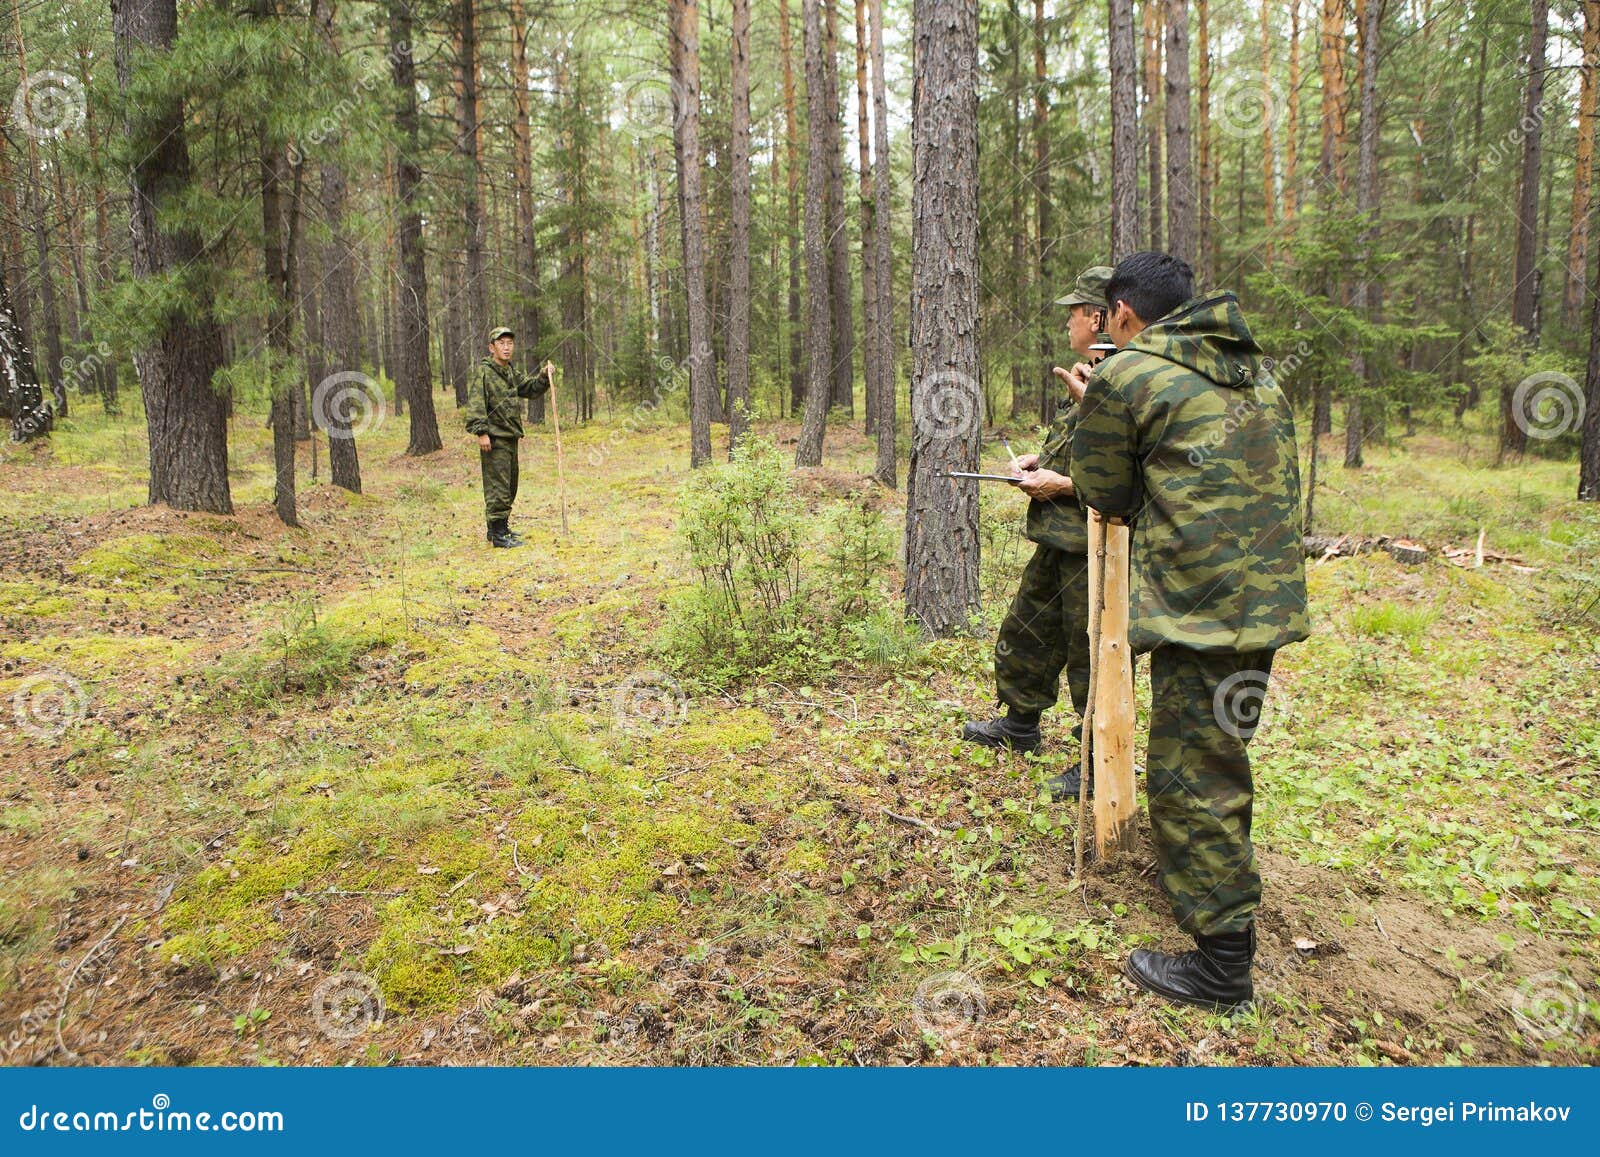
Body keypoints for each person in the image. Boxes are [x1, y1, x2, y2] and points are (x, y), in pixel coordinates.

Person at [1069, 251, 1310, 1013]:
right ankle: (1221, 914)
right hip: (1262, 603)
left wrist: (1095, 407)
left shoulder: (1126, 375)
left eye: (1108, 321)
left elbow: (1105, 491)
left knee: (1189, 780)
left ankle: (1221, 968)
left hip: (1196, 611)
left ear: (1124, 314)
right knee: (1220, 757)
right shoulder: (1257, 372)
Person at [961, 265, 1113, 803]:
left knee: (1091, 655)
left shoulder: (1125, 380)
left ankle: (1096, 764)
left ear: (1099, 318)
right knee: (1028, 628)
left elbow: (1133, 473)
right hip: (1059, 537)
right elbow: (1082, 450)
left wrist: (1063, 485)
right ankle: (1020, 723)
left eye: (1075, 313)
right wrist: (1038, 463)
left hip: (1097, 546)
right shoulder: (1090, 375)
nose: (1069, 322)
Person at [463, 327, 553, 549]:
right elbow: (476, 403)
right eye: (501, 343)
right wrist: (481, 432)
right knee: (498, 487)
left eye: (509, 343)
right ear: (491, 347)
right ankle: (499, 534)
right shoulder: (485, 373)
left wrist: (544, 376)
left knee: (510, 485)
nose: (506, 347)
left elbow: (530, 389)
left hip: (510, 436)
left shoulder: (510, 372)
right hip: (495, 439)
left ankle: (497, 528)